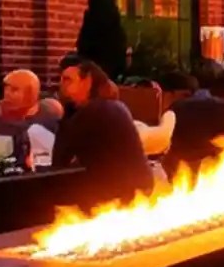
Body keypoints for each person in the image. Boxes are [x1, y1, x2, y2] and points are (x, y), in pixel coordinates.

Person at [53, 57, 153, 208]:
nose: (61, 85)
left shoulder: (90, 112)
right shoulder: (116, 106)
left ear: (87, 81)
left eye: (68, 80)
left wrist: (65, 113)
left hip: (115, 198)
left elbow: (59, 162)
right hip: (138, 189)